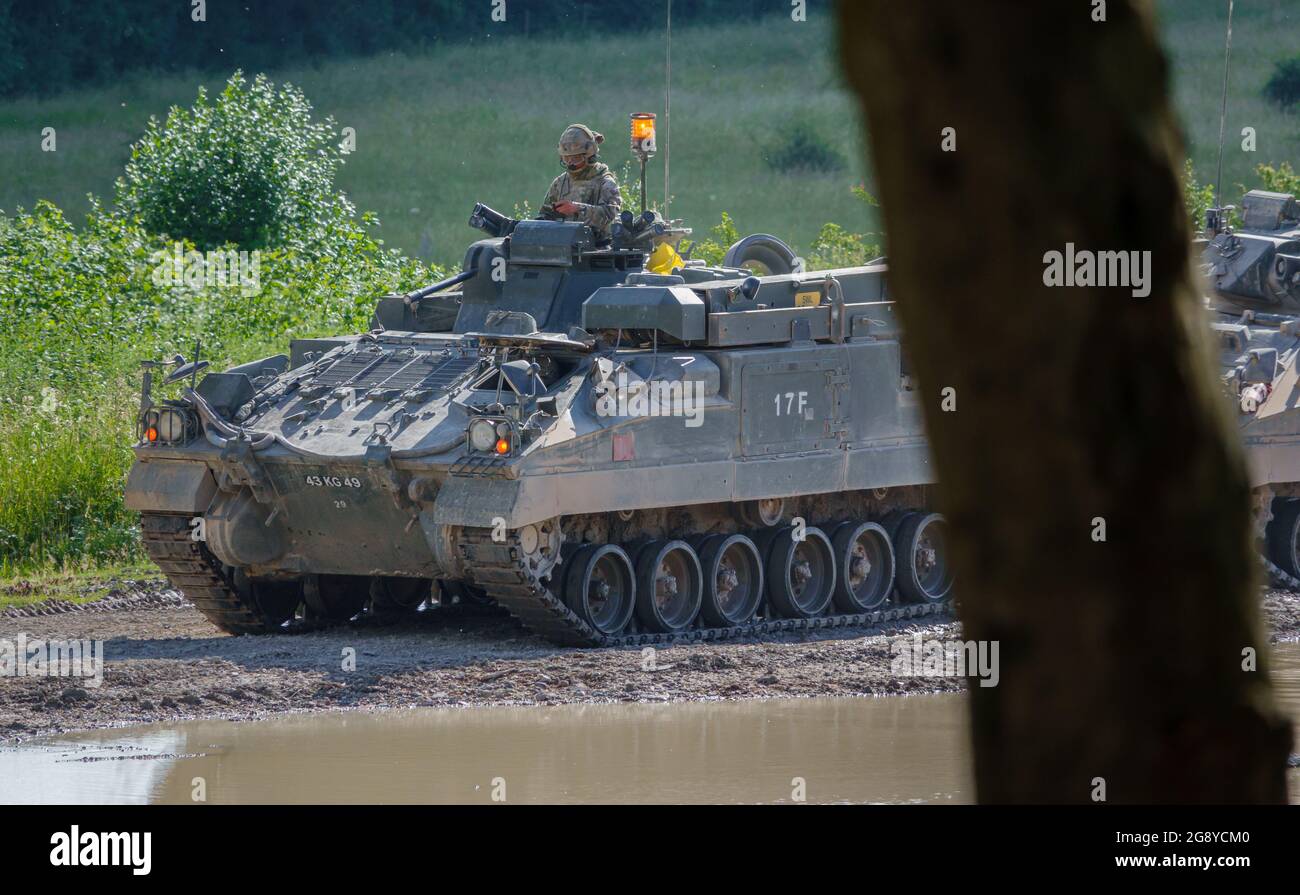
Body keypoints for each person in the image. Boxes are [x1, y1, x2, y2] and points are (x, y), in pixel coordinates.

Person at [540, 124, 621, 241]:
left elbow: (609, 215)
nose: (570, 163)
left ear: (589, 157)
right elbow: (545, 215)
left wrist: (578, 209)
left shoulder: (605, 182)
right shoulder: (560, 183)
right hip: (563, 247)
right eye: (566, 158)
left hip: (597, 250)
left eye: (576, 158)